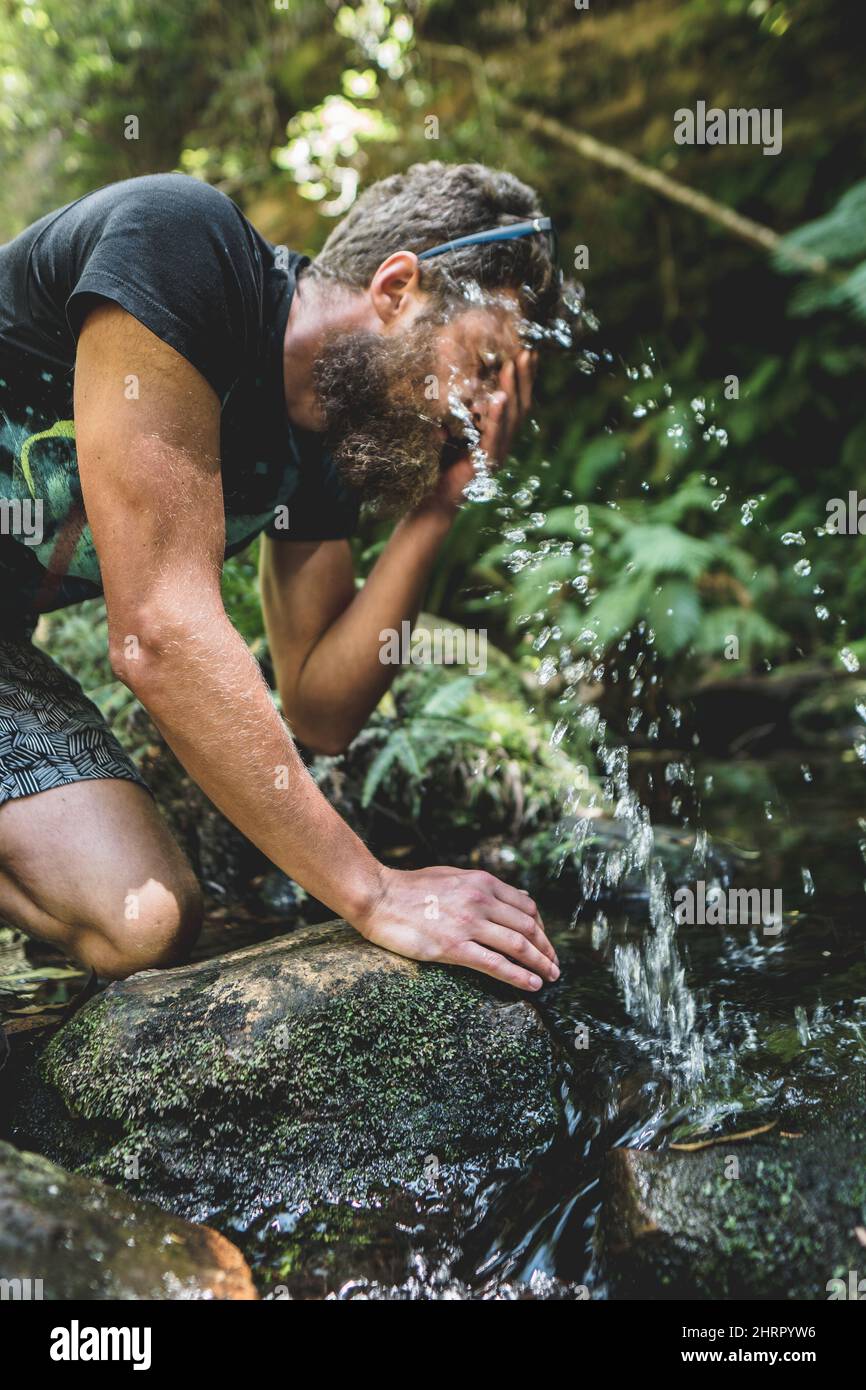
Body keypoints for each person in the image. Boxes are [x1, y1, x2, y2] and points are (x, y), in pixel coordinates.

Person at [0, 160, 564, 990]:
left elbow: (320, 707)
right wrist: (372, 892)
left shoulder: (335, 432)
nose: (478, 413)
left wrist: (439, 509)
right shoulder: (183, 245)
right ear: (398, 288)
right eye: (482, 367)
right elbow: (158, 631)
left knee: (139, 916)